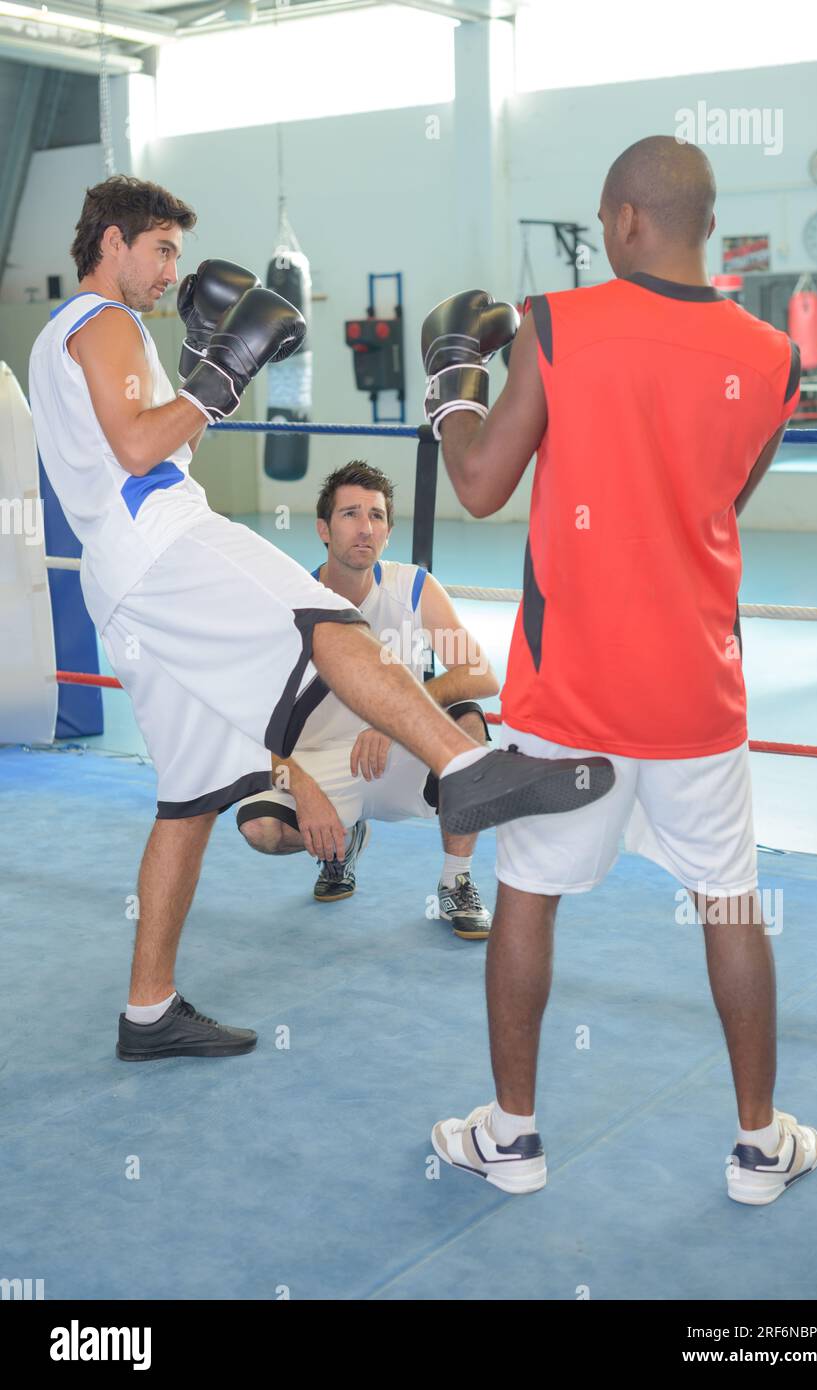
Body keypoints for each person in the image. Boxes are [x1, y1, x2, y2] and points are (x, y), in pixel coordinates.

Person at [27, 175, 614, 1064]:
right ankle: (469, 767)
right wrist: (224, 372)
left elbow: (163, 441)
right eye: (160, 250)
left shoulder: (56, 342)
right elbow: (144, 450)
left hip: (122, 577)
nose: (170, 269)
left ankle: (148, 1011)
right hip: (167, 545)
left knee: (187, 803)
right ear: (109, 241)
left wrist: (202, 374)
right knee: (329, 625)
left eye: (177, 252)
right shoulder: (104, 323)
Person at [422, 136, 817, 1205]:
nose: (603, 240)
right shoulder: (776, 359)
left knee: (530, 893)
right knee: (731, 903)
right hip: (699, 689)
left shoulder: (560, 324)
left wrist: (450, 389)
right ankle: (756, 1147)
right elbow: (720, 501)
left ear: (629, 219)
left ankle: (512, 1138)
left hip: (574, 692)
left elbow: (476, 483)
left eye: (606, 223)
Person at [236, 461, 498, 939]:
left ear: (388, 532)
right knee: (261, 830)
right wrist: (304, 788)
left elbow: (481, 673)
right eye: (350, 514)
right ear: (323, 528)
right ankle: (345, 838)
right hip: (321, 763)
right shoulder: (289, 603)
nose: (364, 528)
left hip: (399, 754)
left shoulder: (414, 588)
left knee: (469, 724)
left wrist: (396, 714)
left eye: (376, 517)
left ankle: (455, 880)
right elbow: (254, 718)